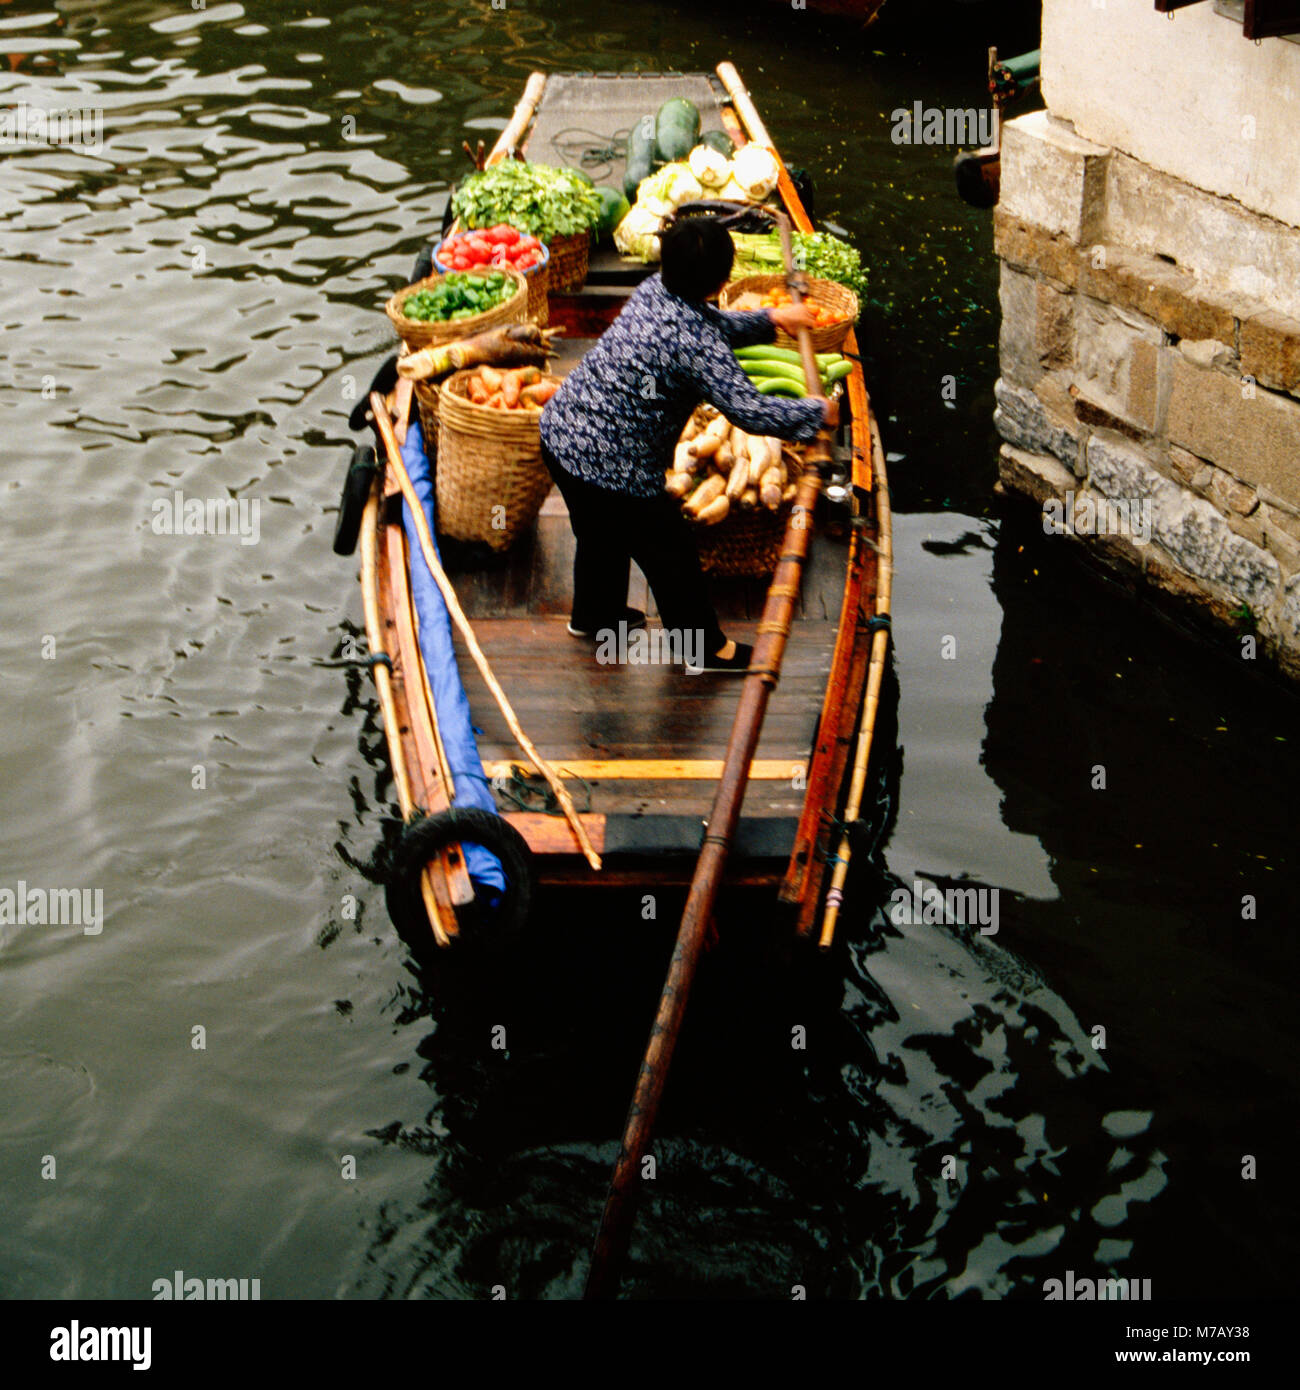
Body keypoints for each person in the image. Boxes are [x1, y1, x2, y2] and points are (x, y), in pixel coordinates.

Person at [539, 216, 837, 673]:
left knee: (598, 534)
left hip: (561, 433)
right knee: (671, 554)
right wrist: (817, 413)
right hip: (613, 467)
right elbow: (749, 410)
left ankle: (596, 616)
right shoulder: (699, 344)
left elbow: (710, 322)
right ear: (721, 280)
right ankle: (703, 649)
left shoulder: (653, 289)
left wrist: (771, 319)